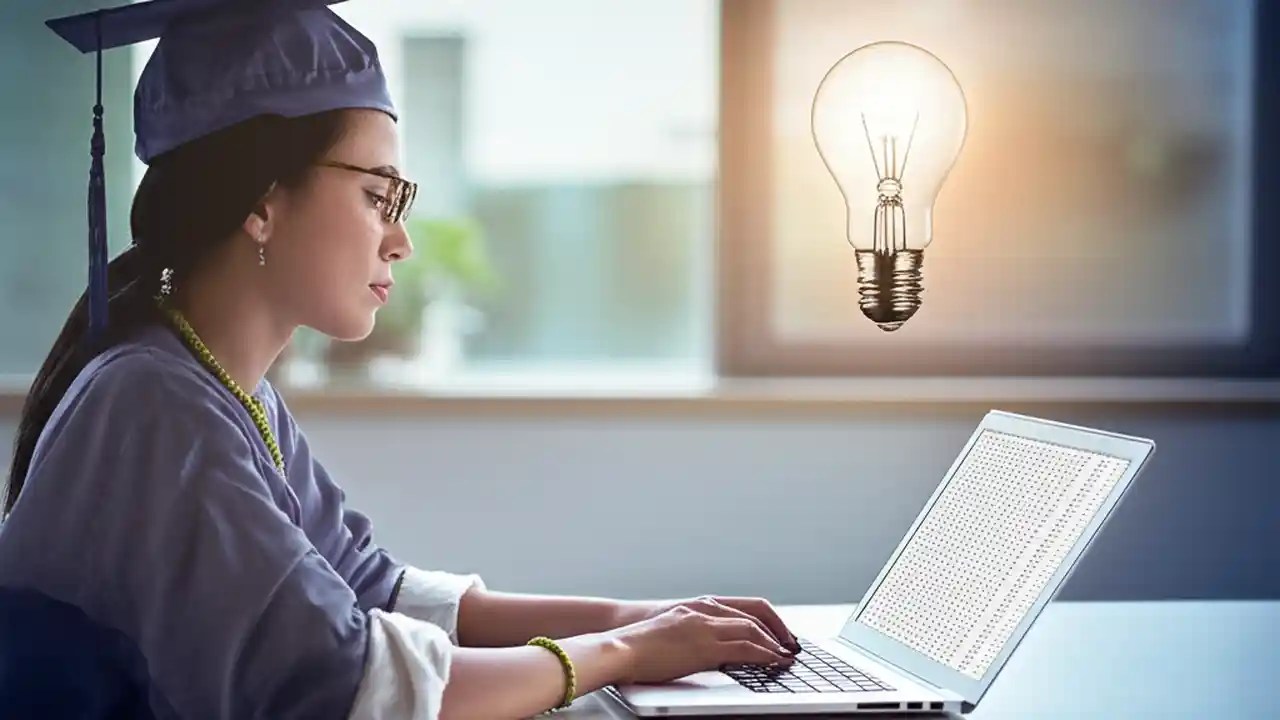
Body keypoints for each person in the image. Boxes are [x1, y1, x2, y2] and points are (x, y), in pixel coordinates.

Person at [0, 1, 799, 718]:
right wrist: (624, 657)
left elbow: (372, 592)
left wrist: (637, 618)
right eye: (378, 195)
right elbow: (349, 684)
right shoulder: (154, 406)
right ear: (261, 202)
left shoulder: (216, 387)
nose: (402, 239)